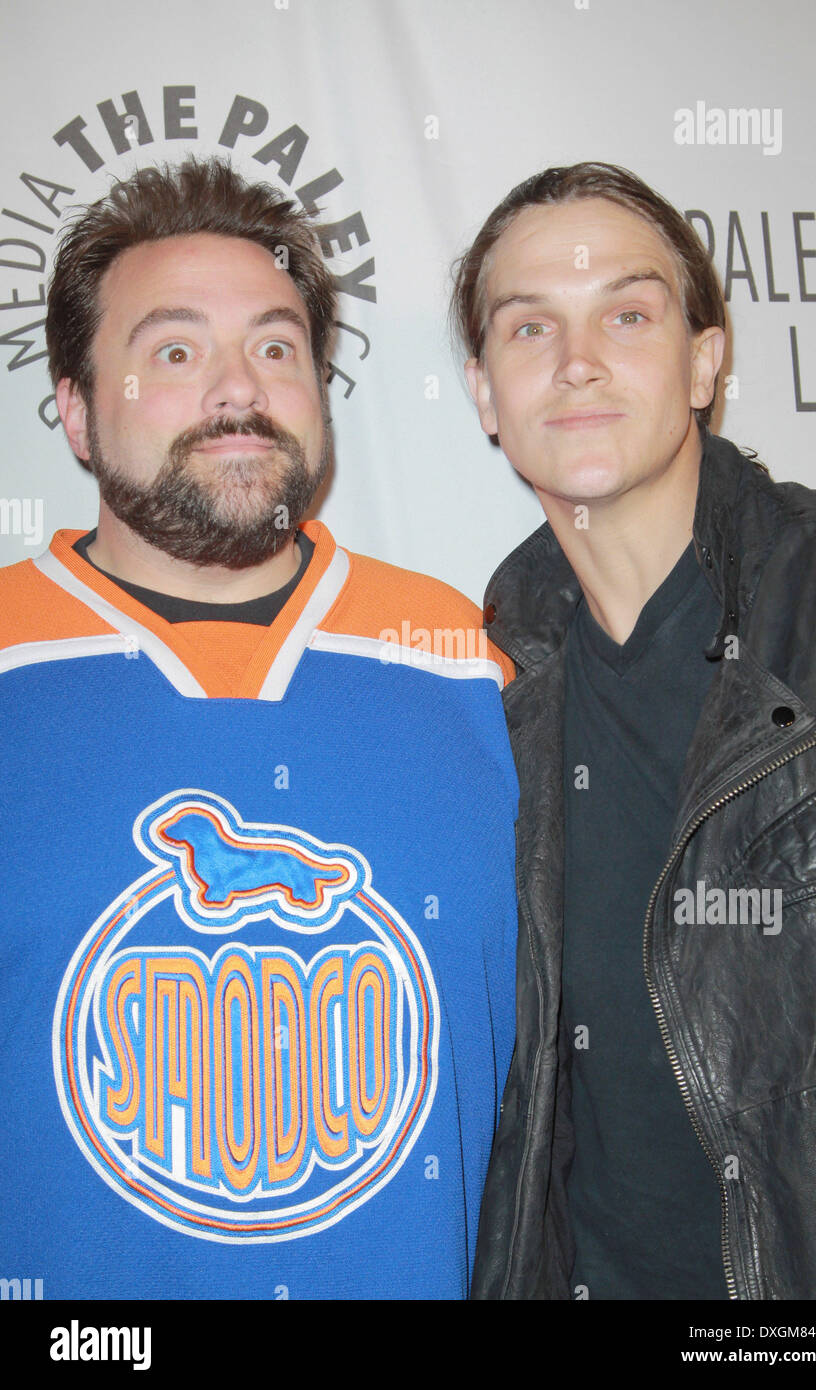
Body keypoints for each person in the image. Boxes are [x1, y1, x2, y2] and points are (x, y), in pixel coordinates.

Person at [0, 156, 517, 1301]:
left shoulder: (473, 663)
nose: (238, 388)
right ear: (77, 410)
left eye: (276, 347)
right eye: (174, 351)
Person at [451, 161, 816, 1300]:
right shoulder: (475, 677)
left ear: (702, 359)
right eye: (528, 326)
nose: (575, 360)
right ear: (485, 392)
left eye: (625, 315)